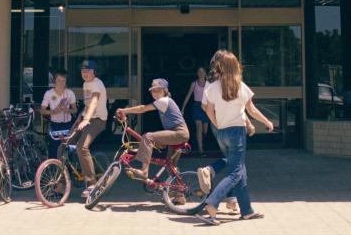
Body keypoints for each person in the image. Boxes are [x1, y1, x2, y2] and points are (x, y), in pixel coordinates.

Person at [190, 49, 274, 225]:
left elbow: (207, 108)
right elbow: (251, 110)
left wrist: (217, 123)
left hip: (222, 133)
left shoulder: (212, 86)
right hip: (236, 132)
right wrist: (267, 122)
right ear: (234, 66)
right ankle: (212, 204)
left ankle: (247, 210)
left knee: (239, 170)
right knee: (235, 172)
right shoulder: (239, 86)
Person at [116, 78, 191, 185]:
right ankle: (179, 194)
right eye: (153, 90)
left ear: (165, 90)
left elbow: (142, 108)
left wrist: (124, 111)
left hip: (179, 132)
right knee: (170, 165)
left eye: (158, 90)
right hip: (177, 133)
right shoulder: (164, 102)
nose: (155, 93)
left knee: (148, 136)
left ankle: (144, 171)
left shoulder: (164, 100)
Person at [69, 59, 107, 194]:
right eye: (82, 70)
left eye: (87, 70)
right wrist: (80, 117)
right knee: (65, 144)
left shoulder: (97, 83)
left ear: (94, 72)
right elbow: (87, 104)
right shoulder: (85, 84)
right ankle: (62, 184)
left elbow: (94, 102)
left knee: (81, 146)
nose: (84, 73)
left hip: (97, 120)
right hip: (87, 117)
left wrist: (86, 119)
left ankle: (92, 183)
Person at [39, 70, 77, 160]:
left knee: (68, 151)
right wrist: (53, 112)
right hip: (55, 125)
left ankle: (68, 173)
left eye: (63, 81)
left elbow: (75, 110)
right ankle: (54, 172)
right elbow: (42, 111)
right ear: (54, 81)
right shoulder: (49, 94)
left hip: (67, 125)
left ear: (66, 82)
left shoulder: (70, 93)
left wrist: (68, 110)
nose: (61, 83)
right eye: (59, 80)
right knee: (54, 151)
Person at [180, 66, 210, 153]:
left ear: (205, 73)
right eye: (199, 72)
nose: (201, 73)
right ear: (197, 73)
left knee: (205, 130)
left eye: (203, 71)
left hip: (206, 106)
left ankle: (202, 141)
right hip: (197, 106)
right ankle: (200, 149)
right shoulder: (194, 84)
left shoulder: (209, 84)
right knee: (199, 127)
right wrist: (183, 108)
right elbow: (188, 95)